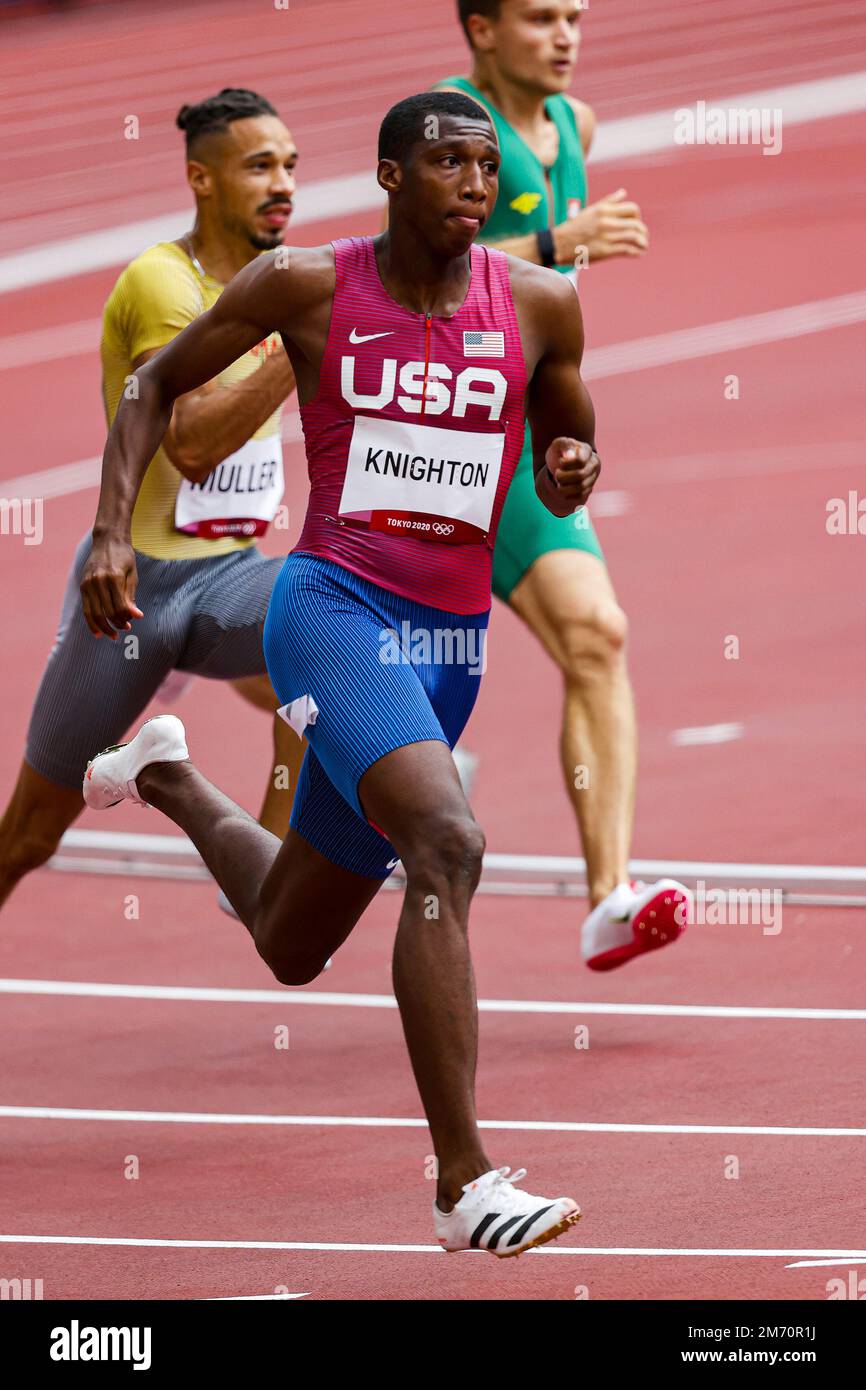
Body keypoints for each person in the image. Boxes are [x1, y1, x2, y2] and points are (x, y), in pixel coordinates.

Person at [81, 91, 600, 1255]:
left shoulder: (541, 305)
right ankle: (462, 1183)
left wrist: (569, 466)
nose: (474, 185)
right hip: (331, 604)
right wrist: (113, 529)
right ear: (386, 176)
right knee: (446, 842)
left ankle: (165, 775)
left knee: (289, 939)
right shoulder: (305, 285)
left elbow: (567, 463)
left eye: (484, 167)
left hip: (447, 641)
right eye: (446, 165)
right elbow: (149, 386)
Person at [0, 88, 304, 912]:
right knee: (28, 835)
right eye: (257, 167)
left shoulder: (286, 280)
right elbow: (195, 444)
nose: (281, 183)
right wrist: (295, 346)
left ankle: (263, 880)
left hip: (228, 579)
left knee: (334, 644)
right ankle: (148, 768)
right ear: (201, 179)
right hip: (137, 598)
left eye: (288, 165)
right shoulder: (165, 283)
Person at [438, 0, 690, 967]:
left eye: (575, 15)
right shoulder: (446, 126)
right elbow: (414, 271)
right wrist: (559, 241)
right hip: (437, 442)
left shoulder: (575, 127)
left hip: (527, 441)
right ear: (481, 28)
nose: (566, 34)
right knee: (366, 668)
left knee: (598, 633)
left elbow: (552, 282)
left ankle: (610, 898)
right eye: (540, 17)